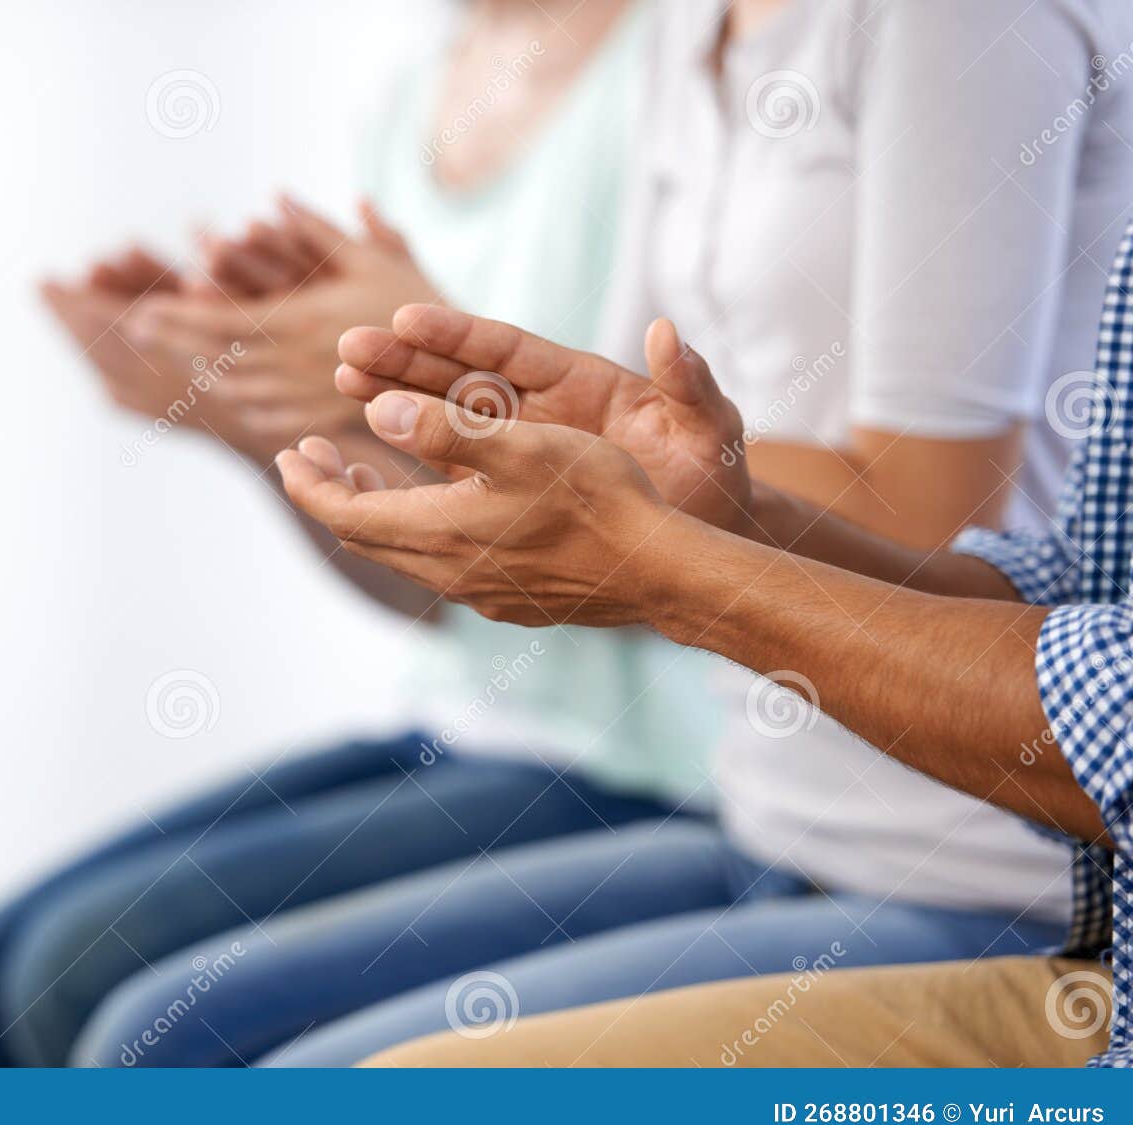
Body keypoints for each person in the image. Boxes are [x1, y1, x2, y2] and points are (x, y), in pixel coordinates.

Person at [67, 0, 1133, 1067]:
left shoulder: (951, 24)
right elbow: (636, 426)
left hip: (959, 867)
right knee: (116, 1017)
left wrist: (661, 540)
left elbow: (936, 521)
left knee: (188, 1047)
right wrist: (310, 414)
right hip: (779, 817)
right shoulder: (687, 28)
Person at [0, 0, 711, 1068]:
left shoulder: (675, 66)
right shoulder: (414, 98)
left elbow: (682, 516)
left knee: (84, 991)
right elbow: (444, 588)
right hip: (473, 727)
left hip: (670, 768)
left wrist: (430, 381)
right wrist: (254, 420)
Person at [286, 214, 1133, 1070]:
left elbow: (1109, 728)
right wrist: (730, 521)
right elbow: (1079, 598)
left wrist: (671, 571)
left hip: (979, 913)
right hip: (1058, 958)